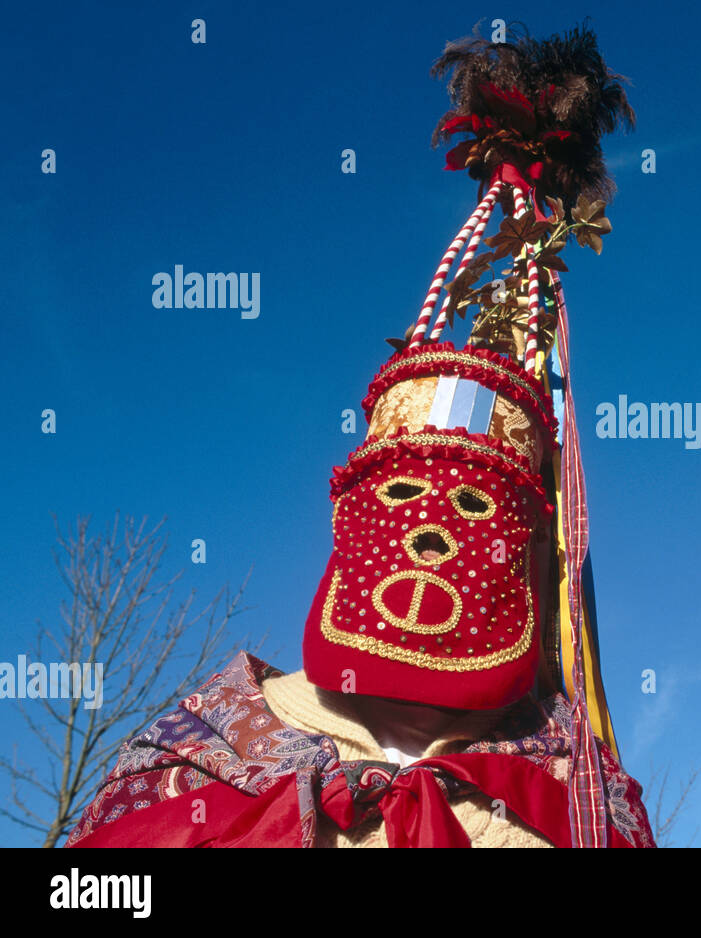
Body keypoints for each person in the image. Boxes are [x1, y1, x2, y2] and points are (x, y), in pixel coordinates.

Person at [67, 24, 653, 849]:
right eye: (406, 489)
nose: (432, 532)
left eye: (481, 499)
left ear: (530, 545)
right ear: (350, 508)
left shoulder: (578, 793)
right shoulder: (198, 756)